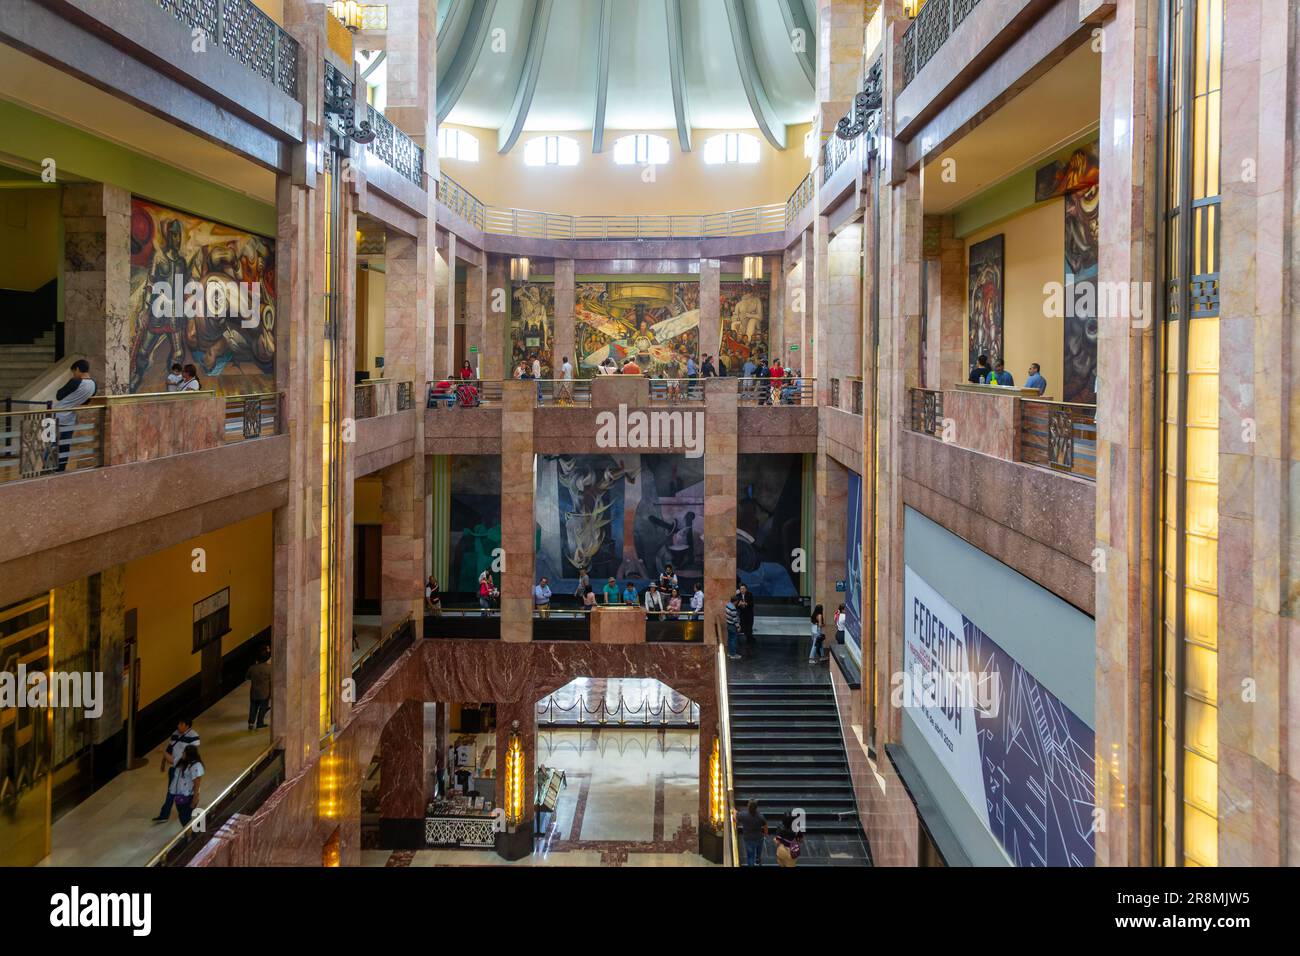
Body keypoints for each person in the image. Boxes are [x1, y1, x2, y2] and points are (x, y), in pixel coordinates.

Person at [153, 717, 200, 821]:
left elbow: (193, 753)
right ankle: (165, 814)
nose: (178, 726)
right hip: (174, 767)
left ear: (187, 725)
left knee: (180, 792)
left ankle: (186, 812)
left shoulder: (194, 736)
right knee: (171, 791)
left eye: (180, 724)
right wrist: (163, 761)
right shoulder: (175, 733)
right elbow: (170, 748)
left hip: (185, 769)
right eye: (178, 724)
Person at [54, 359, 97, 472]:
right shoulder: (94, 385)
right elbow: (87, 402)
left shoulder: (75, 381)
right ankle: (61, 468)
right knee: (65, 444)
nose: (74, 374)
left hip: (57, 415)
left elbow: (59, 395)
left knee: (51, 443)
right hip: (70, 418)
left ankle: (47, 467)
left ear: (78, 369)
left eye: (74, 372)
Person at [170, 744, 205, 828]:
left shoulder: (195, 766)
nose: (182, 753)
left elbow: (197, 784)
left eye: (184, 752)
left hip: (188, 796)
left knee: (184, 817)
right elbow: (172, 760)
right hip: (180, 794)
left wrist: (195, 799)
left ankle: (193, 833)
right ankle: (192, 832)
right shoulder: (184, 762)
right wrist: (164, 753)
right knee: (183, 815)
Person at [245, 645, 271, 731]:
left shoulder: (252, 668)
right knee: (263, 708)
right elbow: (272, 678)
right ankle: (260, 723)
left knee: (253, 708)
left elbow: (247, 677)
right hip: (264, 692)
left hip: (254, 692)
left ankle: (251, 723)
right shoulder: (268, 668)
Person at [738, 799, 768, 866]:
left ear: (748, 806)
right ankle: (758, 861)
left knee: (750, 857)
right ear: (756, 807)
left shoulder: (743, 815)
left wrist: (733, 811)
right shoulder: (760, 816)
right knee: (758, 853)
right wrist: (765, 834)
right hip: (759, 838)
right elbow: (765, 825)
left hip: (749, 839)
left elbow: (735, 818)